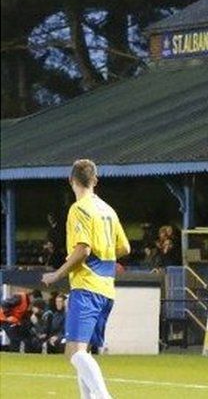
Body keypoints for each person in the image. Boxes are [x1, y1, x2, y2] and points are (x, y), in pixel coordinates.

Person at [41, 159, 130, 399]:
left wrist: (57, 274)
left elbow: (83, 250)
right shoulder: (108, 210)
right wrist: (105, 254)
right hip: (106, 290)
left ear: (71, 181)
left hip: (87, 286)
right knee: (83, 352)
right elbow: (124, 247)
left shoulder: (79, 209)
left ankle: (103, 397)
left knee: (74, 354)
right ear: (95, 180)